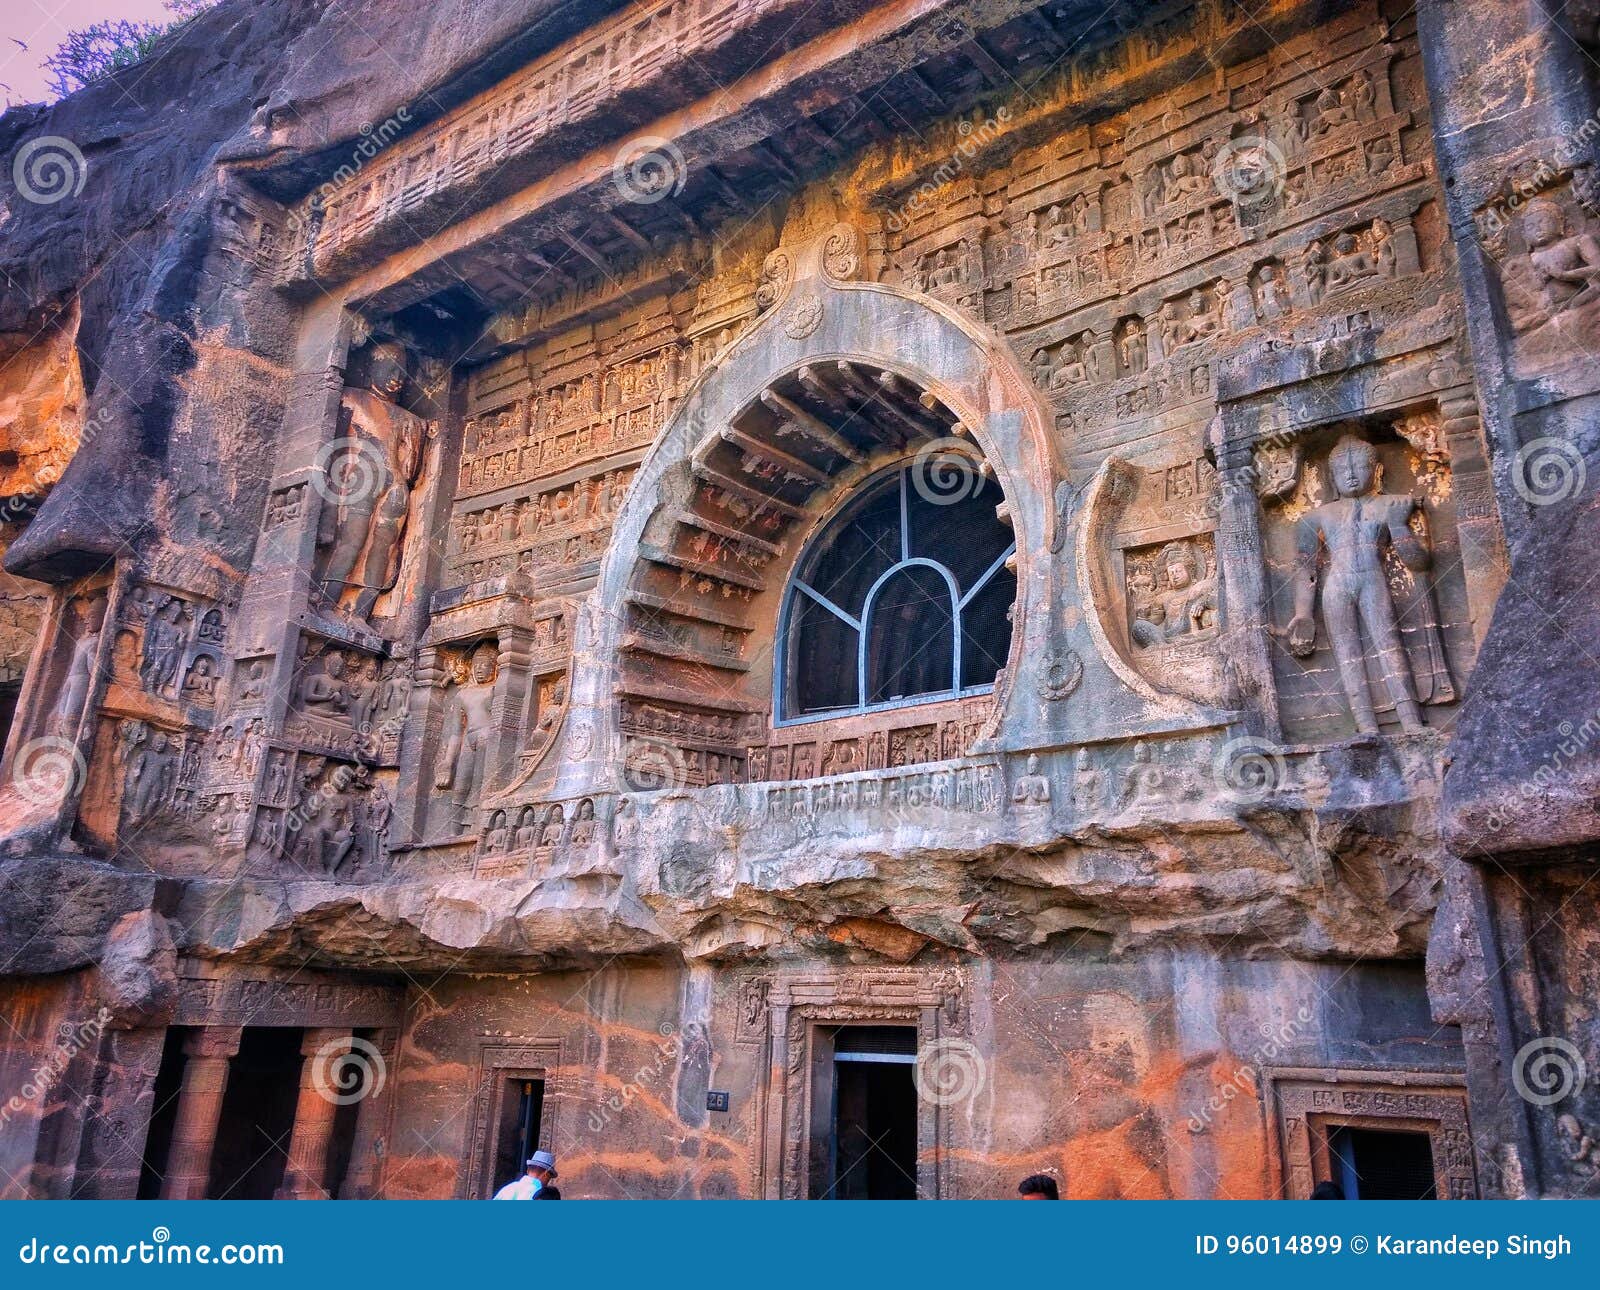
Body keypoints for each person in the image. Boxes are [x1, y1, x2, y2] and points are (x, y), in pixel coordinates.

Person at [493, 1150, 558, 1199]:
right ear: (546, 1174)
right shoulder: (540, 1195)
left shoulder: (508, 1188)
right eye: (550, 1177)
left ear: (528, 1170)